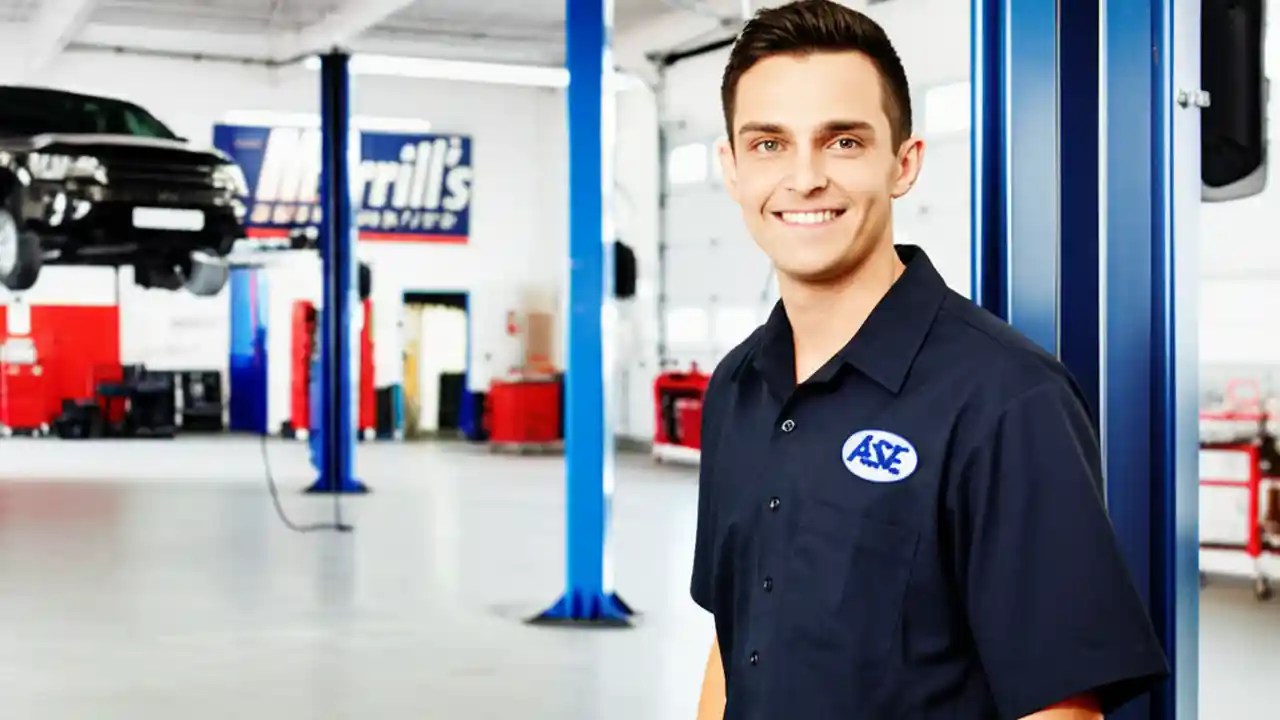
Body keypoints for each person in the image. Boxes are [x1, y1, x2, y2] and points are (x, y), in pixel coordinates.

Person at [689, 2, 1170, 718]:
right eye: (769, 145)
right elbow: (734, 642)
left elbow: (1061, 709)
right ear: (731, 169)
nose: (804, 178)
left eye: (843, 142)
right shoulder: (736, 387)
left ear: (903, 163)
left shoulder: (1006, 399)